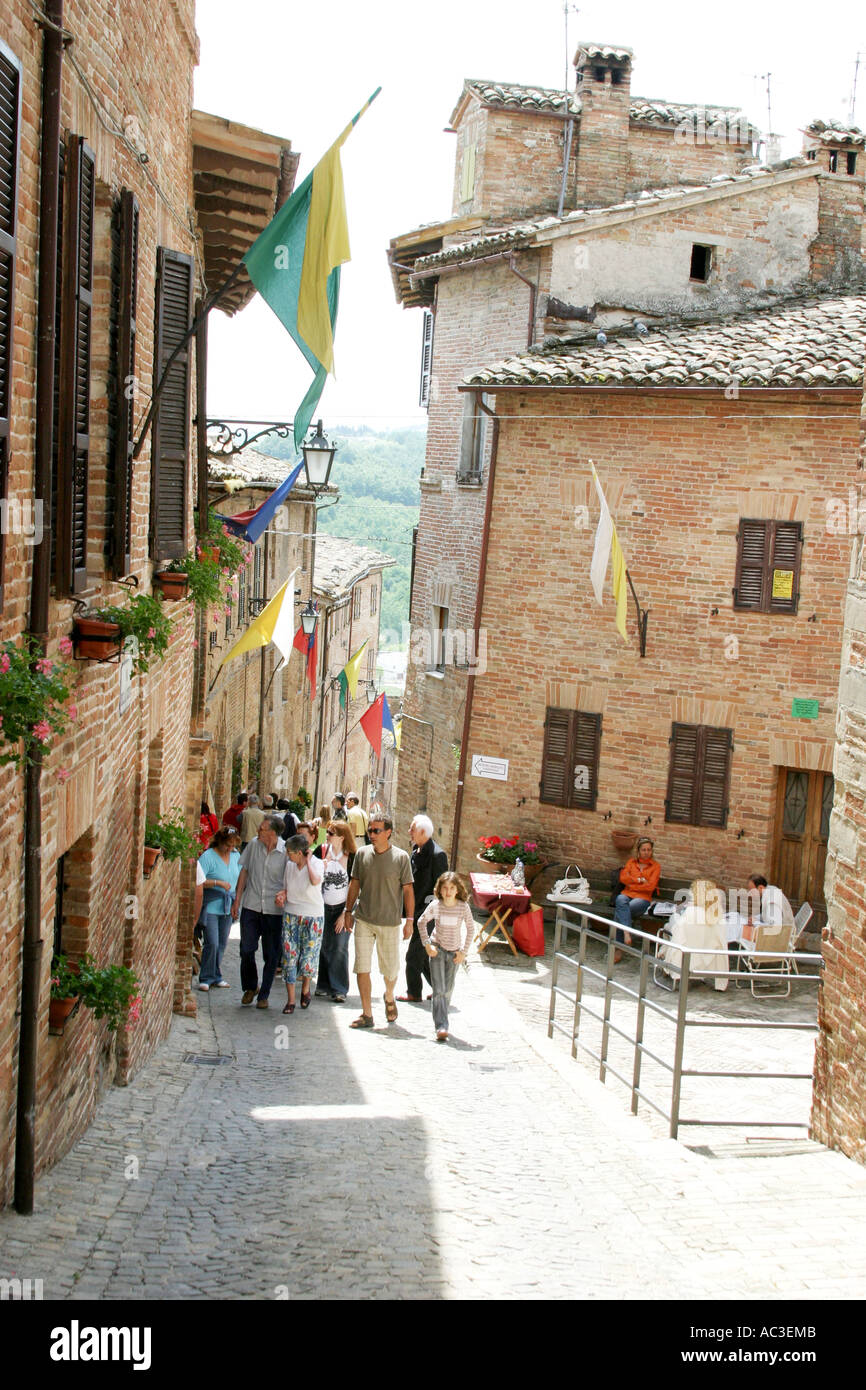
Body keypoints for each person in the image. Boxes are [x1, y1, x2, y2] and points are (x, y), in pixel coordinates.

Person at [339, 813, 414, 1029]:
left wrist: (409, 920)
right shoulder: (362, 854)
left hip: (390, 922)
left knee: (390, 971)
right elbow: (355, 883)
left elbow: (408, 890)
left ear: (388, 832)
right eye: (370, 830)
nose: (371, 834)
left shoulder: (401, 858)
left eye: (376, 831)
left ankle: (389, 995)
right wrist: (348, 910)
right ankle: (367, 1014)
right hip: (364, 919)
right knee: (362, 966)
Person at [232, 815, 287, 1009]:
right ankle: (250, 986)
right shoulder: (254, 845)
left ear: (272, 833)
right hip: (252, 905)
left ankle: (264, 994)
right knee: (246, 949)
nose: (257, 832)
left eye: (261, 829)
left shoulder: (285, 851)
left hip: (274, 911)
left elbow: (290, 880)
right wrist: (237, 899)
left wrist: (285, 893)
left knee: (271, 955)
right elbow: (244, 871)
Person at [418, 872, 474, 1042]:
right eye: (445, 888)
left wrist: (463, 952)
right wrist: (427, 944)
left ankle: (442, 1017)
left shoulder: (463, 907)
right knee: (439, 990)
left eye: (451, 888)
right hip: (438, 950)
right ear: (440, 890)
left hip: (454, 952)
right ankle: (441, 1025)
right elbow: (421, 922)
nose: (448, 892)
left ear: (457, 890)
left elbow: (471, 929)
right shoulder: (436, 906)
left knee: (448, 989)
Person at [400, 814, 448, 1003]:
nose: (409, 832)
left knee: (413, 955)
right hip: (416, 909)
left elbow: (443, 887)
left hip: (429, 912)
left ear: (422, 832)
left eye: (412, 829)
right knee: (422, 955)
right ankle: (441, 989)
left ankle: (414, 992)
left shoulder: (438, 855)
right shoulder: (415, 852)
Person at [276, 834, 325, 1013]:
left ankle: (305, 988)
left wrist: (309, 861)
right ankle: (290, 1000)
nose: (288, 856)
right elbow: (287, 887)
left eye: (290, 852)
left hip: (313, 915)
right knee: (289, 956)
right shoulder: (289, 866)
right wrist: (282, 895)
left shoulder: (318, 864)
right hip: (291, 914)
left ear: (299, 853)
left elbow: (314, 881)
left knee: (308, 957)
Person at [660, 878, 728, 991]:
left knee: (668, 928)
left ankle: (663, 959)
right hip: (708, 959)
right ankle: (663, 954)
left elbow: (678, 936)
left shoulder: (691, 912)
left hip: (686, 957)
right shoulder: (718, 915)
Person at [315, 821, 356, 1002]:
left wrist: (346, 913)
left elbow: (356, 887)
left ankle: (339, 988)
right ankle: (323, 984)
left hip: (342, 907)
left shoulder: (353, 857)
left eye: (331, 833)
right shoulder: (322, 851)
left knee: (339, 947)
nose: (328, 835)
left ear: (341, 837)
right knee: (323, 945)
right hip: (322, 905)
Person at [197, 827, 242, 991]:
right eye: (227, 845)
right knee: (212, 943)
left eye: (233, 845)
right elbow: (199, 880)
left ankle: (215, 976)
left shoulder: (236, 856)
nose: (230, 849)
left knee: (222, 943)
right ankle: (206, 977)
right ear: (220, 842)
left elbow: (239, 880)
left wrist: (236, 902)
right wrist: (218, 883)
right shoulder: (208, 856)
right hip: (211, 906)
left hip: (227, 906)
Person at [613, 837, 661, 963]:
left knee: (622, 910)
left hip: (642, 899)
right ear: (638, 851)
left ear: (652, 851)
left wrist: (632, 882)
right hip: (627, 895)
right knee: (620, 899)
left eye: (649, 850)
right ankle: (627, 933)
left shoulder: (655, 867)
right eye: (644, 850)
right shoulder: (631, 863)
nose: (646, 852)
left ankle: (619, 946)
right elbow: (623, 878)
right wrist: (639, 881)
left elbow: (650, 886)